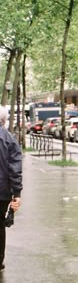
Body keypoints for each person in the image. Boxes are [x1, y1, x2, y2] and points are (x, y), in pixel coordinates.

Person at [0, 106, 22, 271]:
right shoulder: (9, 139)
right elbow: (14, 169)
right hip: (2, 191)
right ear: (4, 120)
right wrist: (17, 194)